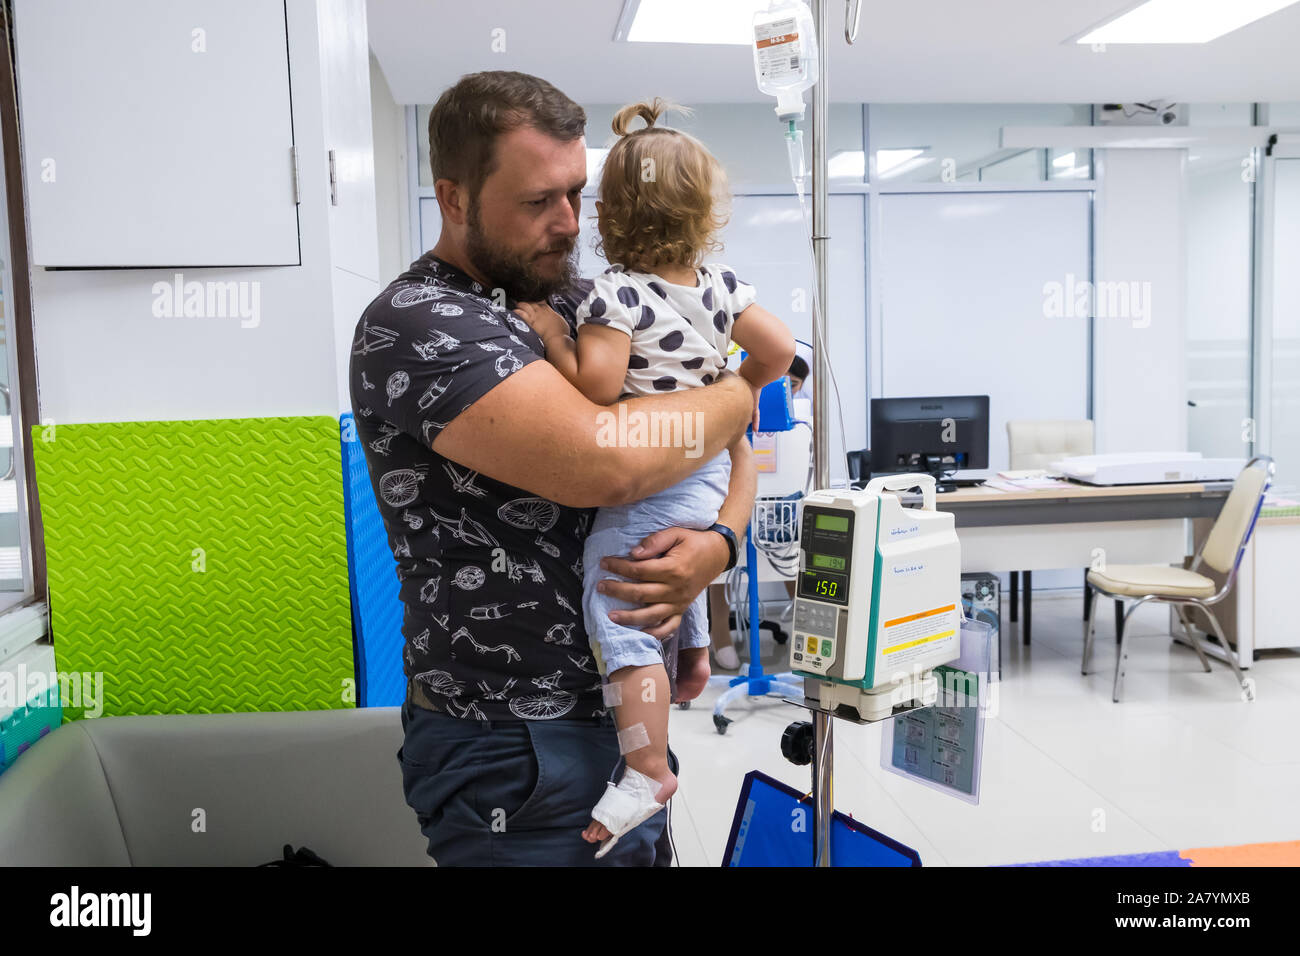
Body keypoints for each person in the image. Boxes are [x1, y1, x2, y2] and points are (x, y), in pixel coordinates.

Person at [348, 71, 756, 866]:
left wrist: (723, 545)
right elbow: (606, 464)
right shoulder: (419, 322)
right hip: (511, 740)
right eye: (539, 201)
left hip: (625, 709)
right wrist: (736, 392)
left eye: (577, 194)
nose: (569, 223)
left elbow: (710, 452)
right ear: (456, 196)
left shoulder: (581, 301)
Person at [515, 99, 795, 856]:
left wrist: (550, 338)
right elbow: (779, 353)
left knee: (618, 605)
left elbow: (601, 387)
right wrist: (730, 393)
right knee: (680, 562)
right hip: (705, 475)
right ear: (704, 212)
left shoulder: (617, 294)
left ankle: (645, 766)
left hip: (650, 479)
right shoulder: (721, 287)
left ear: (610, 218)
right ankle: (699, 655)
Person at [708, 351, 810, 668]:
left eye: (796, 386)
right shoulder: (733, 396)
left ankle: (807, 636)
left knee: (792, 558)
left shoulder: (802, 415)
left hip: (778, 501)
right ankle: (720, 635)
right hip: (730, 494)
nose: (789, 392)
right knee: (722, 563)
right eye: (786, 384)